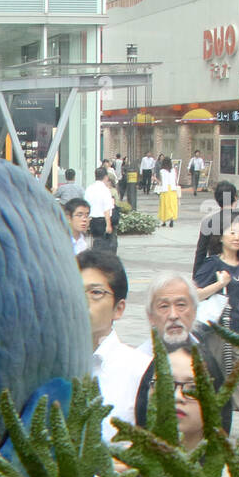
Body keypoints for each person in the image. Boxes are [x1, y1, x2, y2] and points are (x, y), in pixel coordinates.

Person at [193, 214, 239, 430]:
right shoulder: (212, 263)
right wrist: (219, 284)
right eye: (232, 232)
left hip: (238, 330)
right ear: (220, 238)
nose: (237, 237)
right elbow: (195, 294)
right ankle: (211, 424)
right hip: (216, 332)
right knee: (215, 377)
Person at [77, 249, 150, 443]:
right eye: (75, 290)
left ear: (118, 309)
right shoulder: (48, 366)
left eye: (96, 293)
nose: (82, 301)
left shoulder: (141, 371)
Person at [157, 155, 179, 228]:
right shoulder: (173, 170)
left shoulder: (162, 171)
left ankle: (164, 221)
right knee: (172, 205)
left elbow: (161, 181)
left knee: (164, 205)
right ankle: (172, 219)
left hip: (165, 189)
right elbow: (175, 179)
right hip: (173, 189)